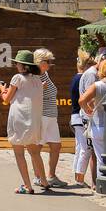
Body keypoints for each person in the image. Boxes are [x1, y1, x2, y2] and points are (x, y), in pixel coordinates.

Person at [0, 49, 47, 194]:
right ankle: (44, 180)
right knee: (34, 152)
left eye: (17, 64)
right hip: (34, 120)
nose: (16, 66)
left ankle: (27, 186)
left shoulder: (17, 78)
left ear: (23, 65)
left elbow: (6, 100)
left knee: (19, 153)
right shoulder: (38, 80)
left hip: (19, 119)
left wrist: (2, 90)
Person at [34, 48, 66, 187]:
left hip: (51, 116)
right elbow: (32, 97)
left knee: (56, 146)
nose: (50, 64)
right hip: (42, 116)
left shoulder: (45, 74)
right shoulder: (35, 77)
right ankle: (38, 176)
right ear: (40, 62)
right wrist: (40, 89)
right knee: (37, 147)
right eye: (48, 61)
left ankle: (51, 175)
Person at [79, 56, 106, 190]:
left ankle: (102, 185)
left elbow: (82, 100)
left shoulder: (98, 85)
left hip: (99, 124)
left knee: (99, 157)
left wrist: (88, 110)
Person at [69, 49, 93, 187]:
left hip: (75, 115)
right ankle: (79, 178)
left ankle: (77, 175)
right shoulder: (82, 78)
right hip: (80, 115)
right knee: (85, 148)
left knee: (80, 147)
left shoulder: (75, 78)